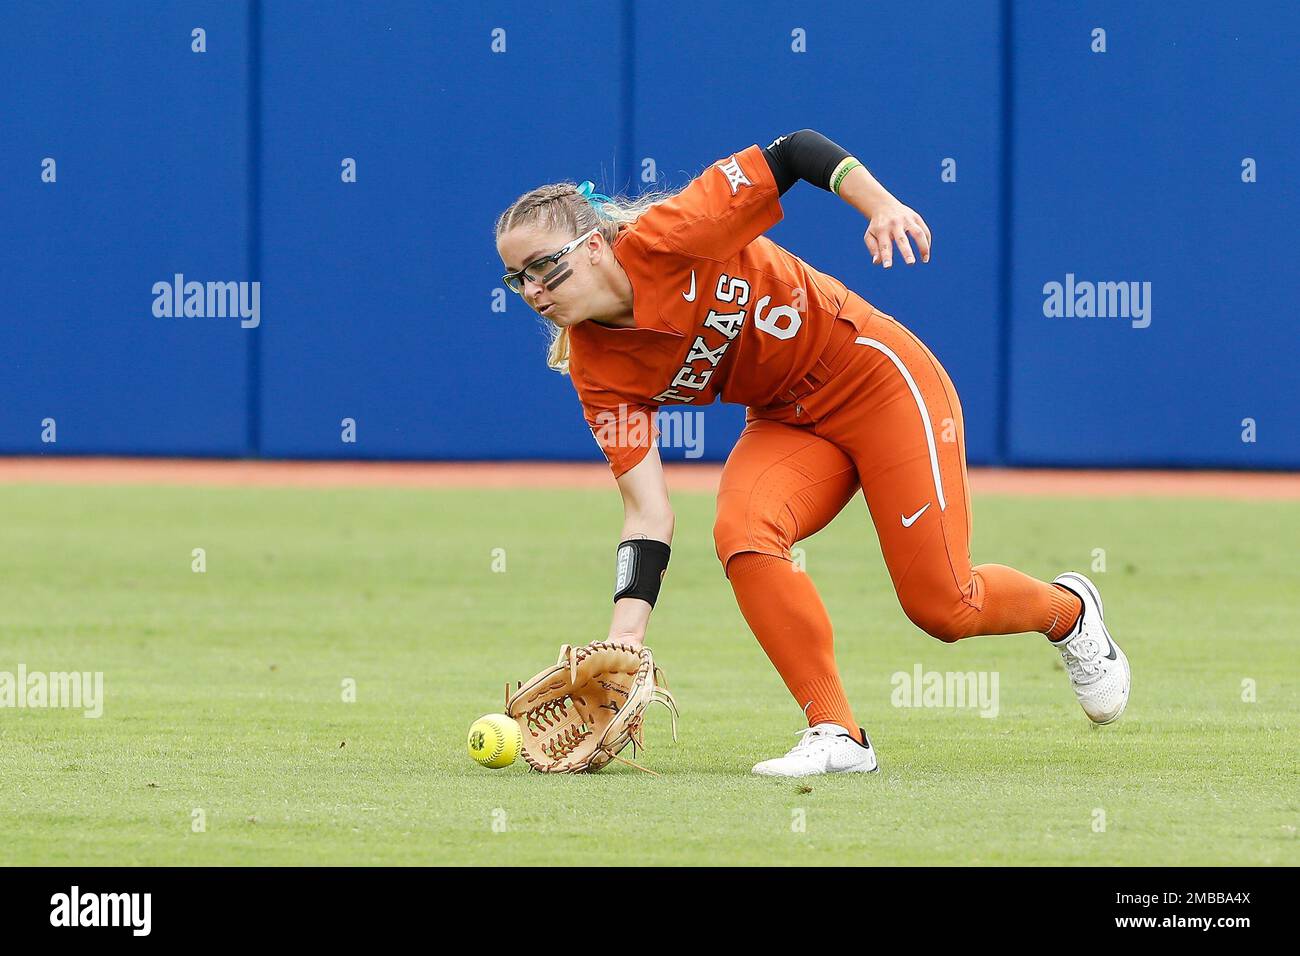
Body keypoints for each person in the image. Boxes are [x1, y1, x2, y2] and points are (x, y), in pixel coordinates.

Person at [494, 130, 1130, 778]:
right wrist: (624, 638)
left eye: (545, 266)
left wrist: (879, 205)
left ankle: (1070, 613)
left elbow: (794, 151)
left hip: (877, 379)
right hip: (787, 420)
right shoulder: (597, 374)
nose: (533, 289)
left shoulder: (673, 234)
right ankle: (837, 733)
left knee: (944, 607)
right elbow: (647, 515)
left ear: (594, 246)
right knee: (742, 531)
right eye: (517, 278)